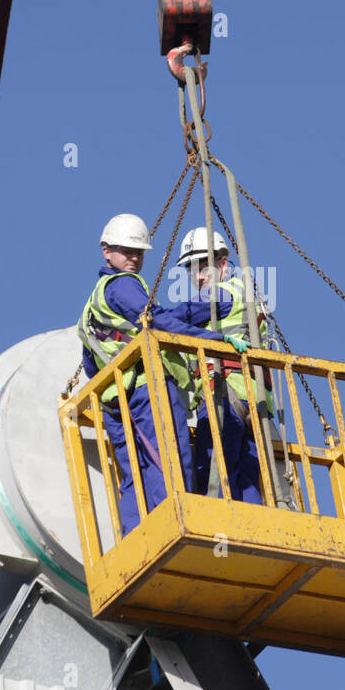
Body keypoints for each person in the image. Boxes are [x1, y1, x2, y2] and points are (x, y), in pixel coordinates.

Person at [78, 214, 246, 536]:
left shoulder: (91, 307)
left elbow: (89, 364)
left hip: (115, 401)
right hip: (146, 391)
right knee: (169, 459)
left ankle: (138, 538)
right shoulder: (124, 284)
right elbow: (156, 322)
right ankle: (172, 531)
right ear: (106, 251)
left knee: (134, 475)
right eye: (127, 251)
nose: (134, 258)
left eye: (139, 252)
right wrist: (216, 341)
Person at [176, 227, 279, 505]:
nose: (197, 277)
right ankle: (249, 538)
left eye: (203, 268)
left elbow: (179, 316)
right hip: (256, 404)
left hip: (225, 396)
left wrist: (145, 316)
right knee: (247, 479)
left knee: (215, 469)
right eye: (191, 270)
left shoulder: (222, 294)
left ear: (222, 263)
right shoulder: (251, 295)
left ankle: (216, 529)